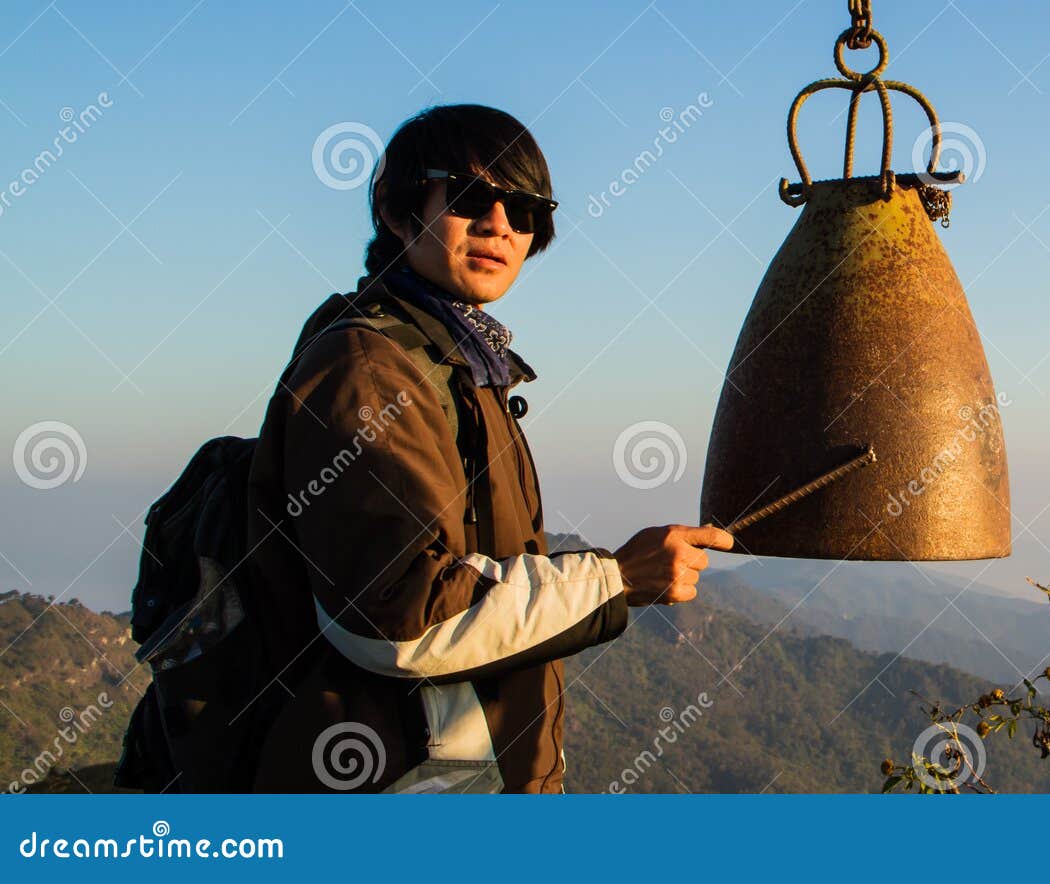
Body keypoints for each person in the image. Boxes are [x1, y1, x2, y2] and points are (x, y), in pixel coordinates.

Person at [244, 103, 733, 793]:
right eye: (472, 198)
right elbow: (397, 617)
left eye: (526, 209)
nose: (501, 224)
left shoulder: (463, 367)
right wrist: (616, 578)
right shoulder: (368, 367)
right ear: (397, 212)